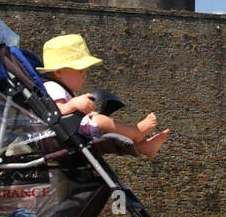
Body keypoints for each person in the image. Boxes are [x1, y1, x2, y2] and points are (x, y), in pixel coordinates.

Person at [37, 34, 169, 157]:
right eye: (80, 71)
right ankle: (136, 132)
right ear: (59, 72)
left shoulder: (62, 88)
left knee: (104, 125)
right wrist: (73, 104)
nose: (84, 76)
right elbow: (55, 112)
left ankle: (143, 147)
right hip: (70, 130)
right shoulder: (53, 87)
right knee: (99, 120)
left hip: (75, 128)